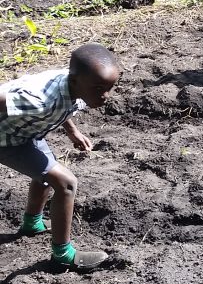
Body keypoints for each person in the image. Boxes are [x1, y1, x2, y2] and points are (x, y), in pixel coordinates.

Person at [0, 44, 121, 270]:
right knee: (66, 183)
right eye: (98, 89)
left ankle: (32, 223)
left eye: (110, 88)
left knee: (47, 174)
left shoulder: (75, 85)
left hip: (27, 131)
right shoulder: (38, 99)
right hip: (6, 140)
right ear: (75, 81)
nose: (105, 96)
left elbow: (64, 105)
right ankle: (63, 255)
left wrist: (73, 132)